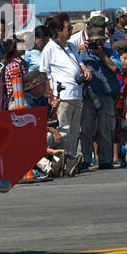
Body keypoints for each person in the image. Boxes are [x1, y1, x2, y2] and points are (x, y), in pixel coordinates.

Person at [39, 13, 87, 170]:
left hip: (77, 94)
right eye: (68, 28)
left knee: (75, 130)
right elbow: (44, 74)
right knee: (64, 130)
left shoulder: (72, 46)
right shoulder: (49, 48)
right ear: (58, 31)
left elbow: (80, 63)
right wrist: (50, 95)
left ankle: (72, 159)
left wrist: (85, 69)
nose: (71, 30)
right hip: (63, 96)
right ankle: (63, 161)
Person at [78, 16, 119, 170]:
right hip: (88, 95)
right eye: (94, 40)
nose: (97, 43)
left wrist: (102, 54)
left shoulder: (111, 52)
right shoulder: (81, 53)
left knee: (105, 128)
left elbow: (116, 68)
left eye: (100, 40)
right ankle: (85, 159)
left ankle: (105, 159)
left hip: (106, 95)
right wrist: (79, 50)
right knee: (86, 128)